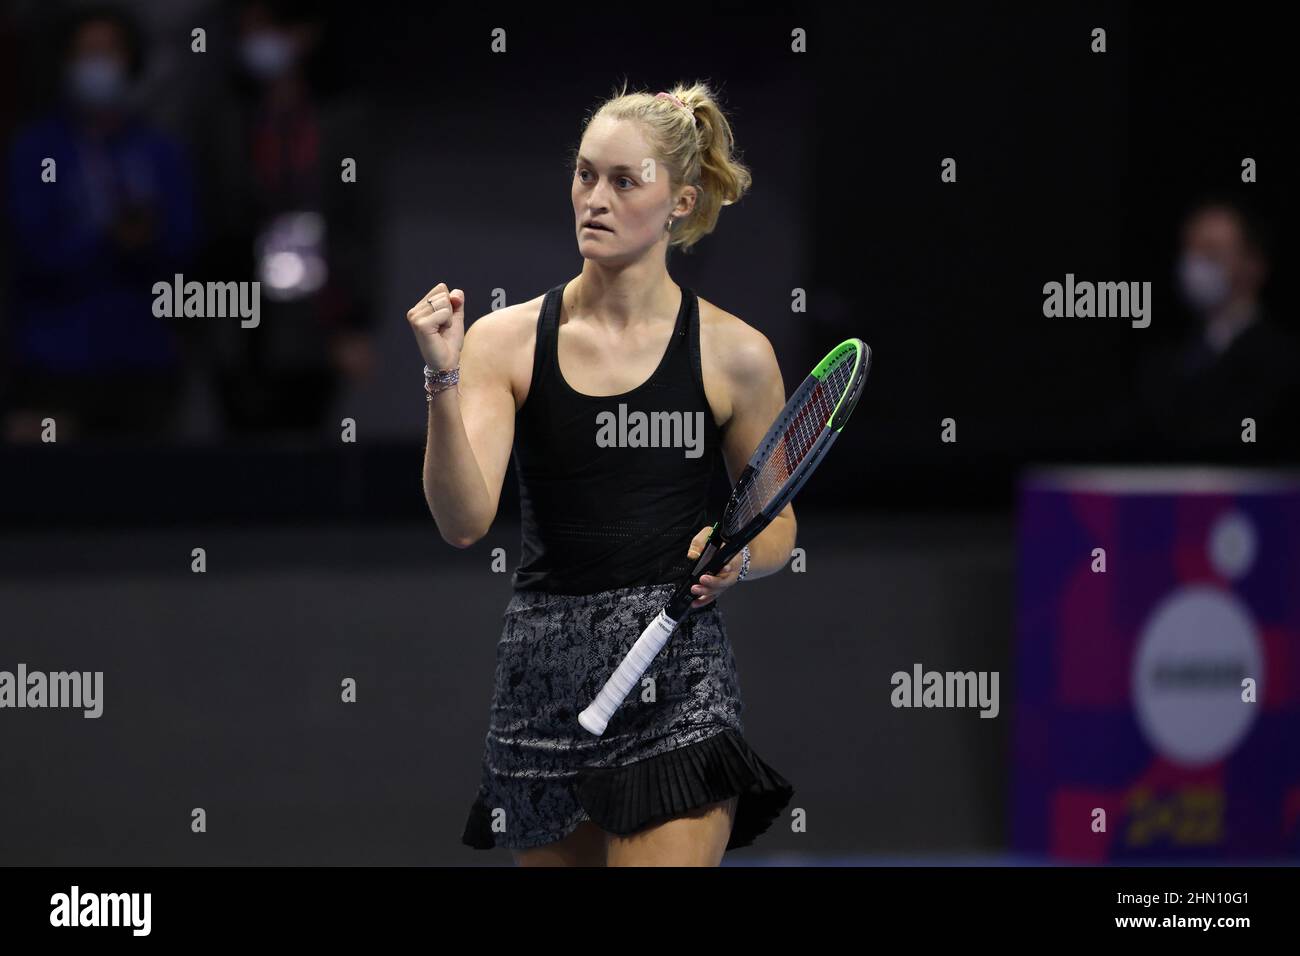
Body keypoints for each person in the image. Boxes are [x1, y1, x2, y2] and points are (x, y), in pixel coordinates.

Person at [411, 81, 796, 866]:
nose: (595, 197)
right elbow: (462, 521)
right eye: (586, 175)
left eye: (626, 181)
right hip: (540, 685)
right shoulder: (501, 340)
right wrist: (442, 380)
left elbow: (778, 524)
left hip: (677, 685)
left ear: (681, 202)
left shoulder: (738, 354)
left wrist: (737, 559)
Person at [3, 4, 197, 442]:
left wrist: (147, 242)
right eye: (85, 53)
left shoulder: (160, 151)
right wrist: (105, 242)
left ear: (131, 62)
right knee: (50, 500)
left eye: (108, 52)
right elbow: (31, 247)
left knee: (144, 499)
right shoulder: (35, 150)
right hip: (55, 360)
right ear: (65, 63)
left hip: (144, 361)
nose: (97, 65)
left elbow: (186, 245)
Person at [1134, 197, 1299, 460]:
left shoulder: (1286, 363)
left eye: (1211, 252)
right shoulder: (1163, 361)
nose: (1195, 265)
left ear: (1253, 265)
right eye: (1189, 251)